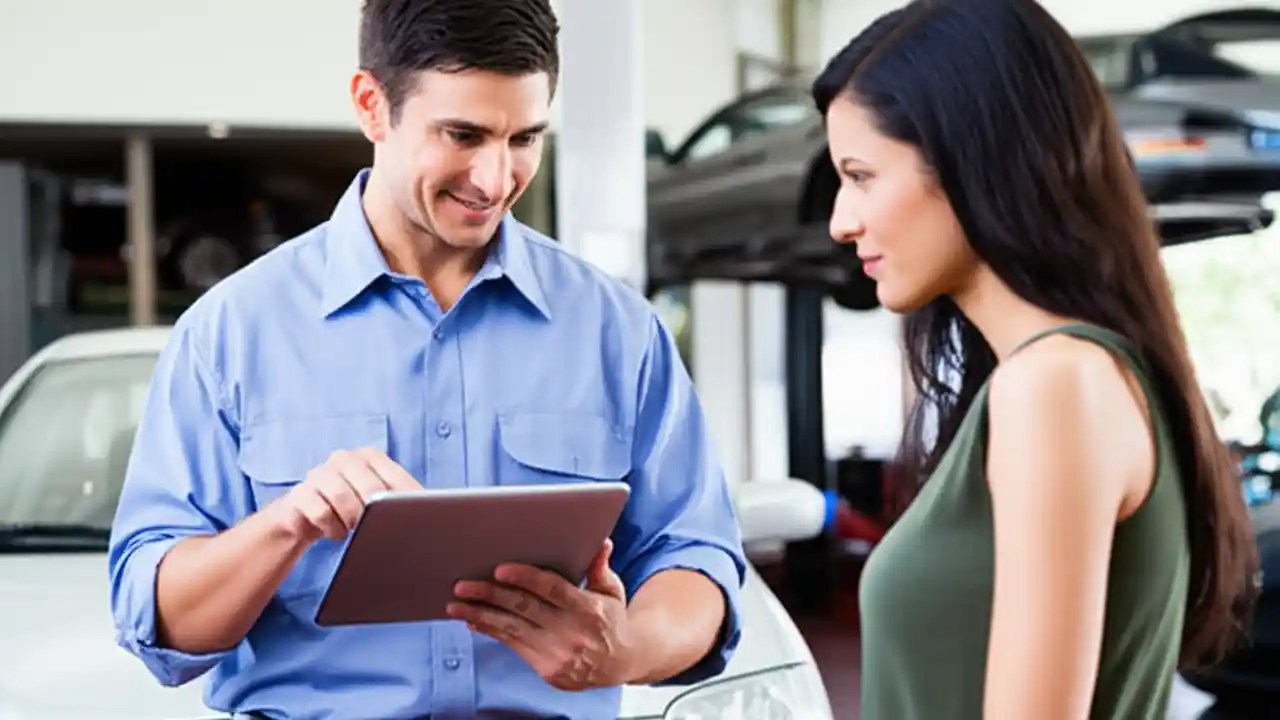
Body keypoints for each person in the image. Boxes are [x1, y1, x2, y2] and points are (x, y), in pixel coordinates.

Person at [107, 1, 746, 718]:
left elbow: (697, 563)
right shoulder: (230, 332)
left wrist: (624, 646)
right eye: (462, 135)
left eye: (525, 138)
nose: (494, 178)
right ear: (371, 105)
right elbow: (158, 623)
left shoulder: (616, 330)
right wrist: (287, 524)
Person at [811, 1, 1260, 718]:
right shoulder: (1065, 378)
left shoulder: (1054, 385)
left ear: (972, 157)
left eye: (861, 175)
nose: (841, 220)